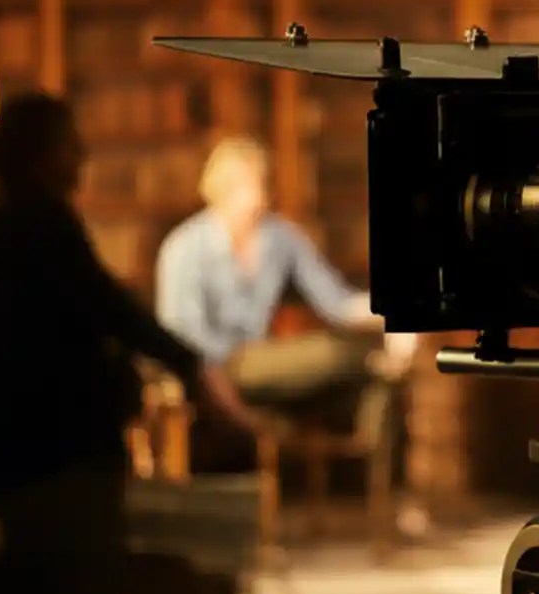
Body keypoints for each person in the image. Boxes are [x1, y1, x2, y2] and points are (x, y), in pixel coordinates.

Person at [0, 93, 203, 594]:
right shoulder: (41, 224)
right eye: (69, 146)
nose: (82, 157)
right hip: (57, 456)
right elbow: (109, 306)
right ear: (39, 155)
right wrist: (187, 364)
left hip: (20, 456)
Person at [155, 136, 414, 454]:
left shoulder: (281, 238)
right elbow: (183, 337)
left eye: (260, 184)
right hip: (216, 367)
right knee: (340, 353)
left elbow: (336, 303)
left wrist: (397, 314)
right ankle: (366, 362)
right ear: (220, 189)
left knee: (380, 381)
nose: (257, 196)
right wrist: (220, 388)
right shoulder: (185, 247)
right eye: (245, 185)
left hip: (263, 365)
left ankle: (364, 474)